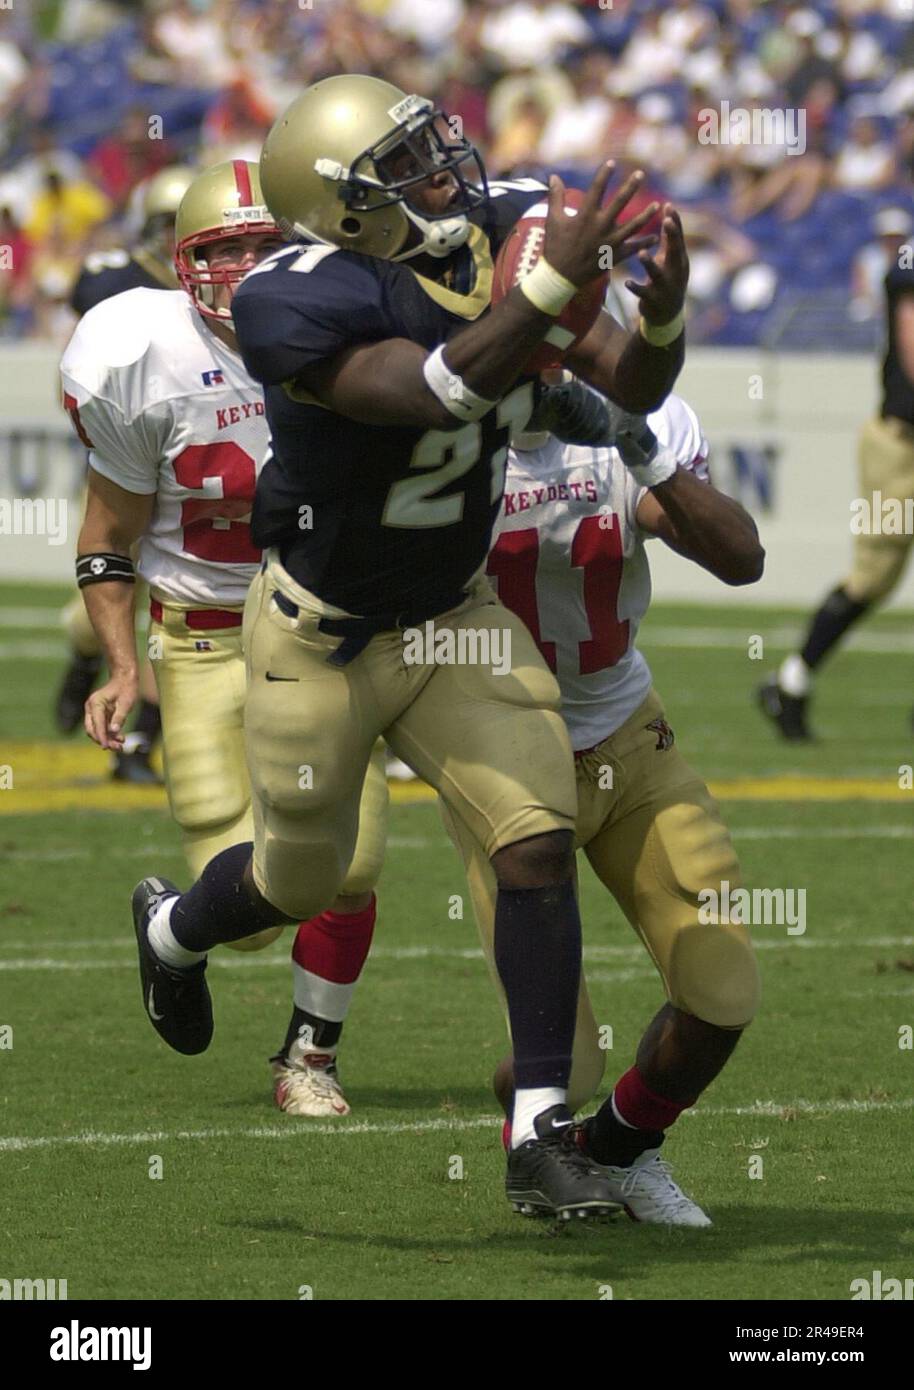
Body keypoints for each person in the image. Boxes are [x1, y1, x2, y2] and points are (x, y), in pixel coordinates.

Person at [127, 73, 690, 1221]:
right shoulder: (291, 299)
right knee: (304, 879)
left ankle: (539, 1127)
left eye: (435, 141)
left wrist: (661, 309)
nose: (445, 167)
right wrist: (540, 285)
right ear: (341, 207)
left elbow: (631, 381)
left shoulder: (496, 227)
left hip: (454, 614)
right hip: (317, 641)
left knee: (532, 838)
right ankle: (174, 929)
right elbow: (435, 389)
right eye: (406, 159)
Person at [60, 161, 387, 1118]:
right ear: (181, 262)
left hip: (324, 628)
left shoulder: (350, 324)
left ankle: (310, 1058)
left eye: (262, 244)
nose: (245, 267)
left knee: (353, 863)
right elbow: (107, 535)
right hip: (202, 640)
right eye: (223, 248)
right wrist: (122, 666)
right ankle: (174, 930)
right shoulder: (132, 352)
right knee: (253, 910)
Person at [442, 388, 763, 1225]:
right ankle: (534, 1145)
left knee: (722, 989)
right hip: (504, 755)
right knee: (562, 1065)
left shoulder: (632, 421)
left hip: (630, 734)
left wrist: (637, 444)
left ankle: (615, 1150)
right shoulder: (440, 430)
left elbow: (741, 557)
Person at [55, 166, 195, 783]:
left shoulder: (240, 283)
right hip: (133, 451)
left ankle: (140, 742)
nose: (178, 239)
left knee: (179, 594)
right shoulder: (119, 281)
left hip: (198, 459)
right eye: (169, 226)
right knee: (108, 589)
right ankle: (87, 658)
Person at [759, 232, 914, 740]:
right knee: (870, 581)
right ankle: (790, 682)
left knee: (870, 583)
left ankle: (789, 682)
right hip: (901, 448)